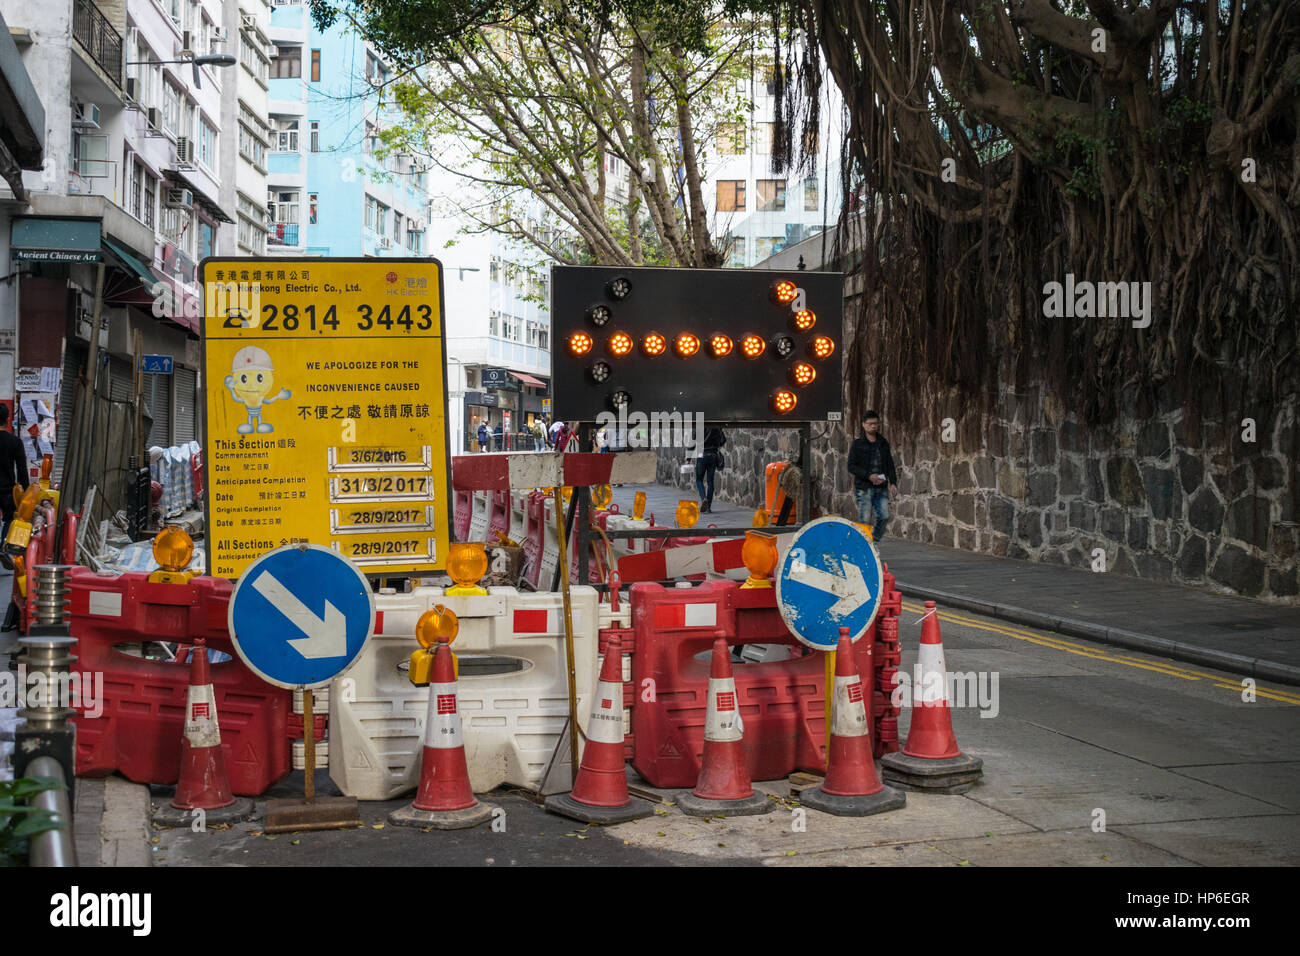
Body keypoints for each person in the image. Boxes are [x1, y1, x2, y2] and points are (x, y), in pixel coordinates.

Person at [847, 409, 898, 540]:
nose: (873, 426)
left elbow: (890, 464)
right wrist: (869, 476)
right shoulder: (857, 444)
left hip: (881, 486)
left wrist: (893, 483)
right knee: (864, 520)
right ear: (863, 424)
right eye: (870, 423)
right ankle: (863, 549)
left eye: (875, 423)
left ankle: (873, 541)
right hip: (864, 487)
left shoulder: (883, 443)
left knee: (885, 516)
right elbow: (851, 466)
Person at [0, 405, 28, 545]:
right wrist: (26, 491)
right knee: (9, 519)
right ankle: (4, 546)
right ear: (7, 419)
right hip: (7, 490)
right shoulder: (15, 442)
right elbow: (22, 469)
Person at [695, 426, 726, 513]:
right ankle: (708, 507)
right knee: (710, 481)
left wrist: (688, 459)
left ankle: (704, 498)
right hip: (713, 454)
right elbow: (723, 440)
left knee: (699, 479)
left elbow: (693, 439)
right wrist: (716, 444)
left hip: (702, 454)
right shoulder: (716, 425)